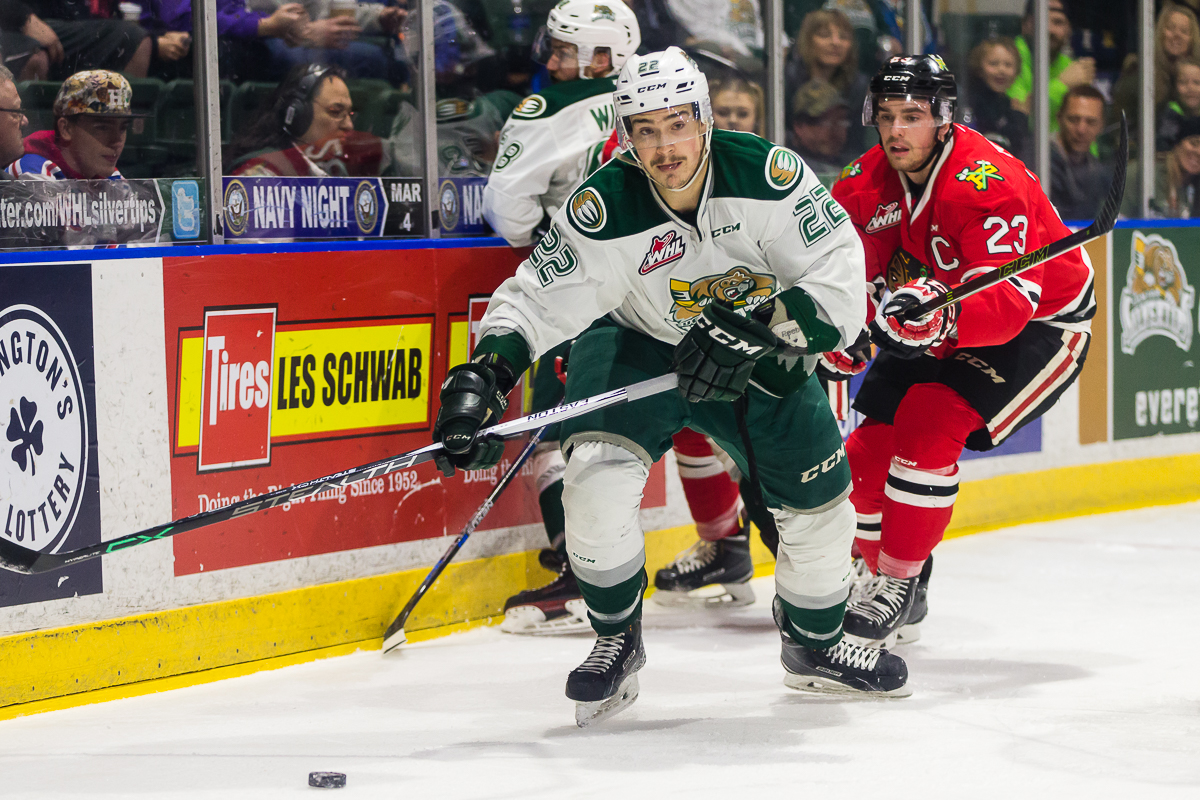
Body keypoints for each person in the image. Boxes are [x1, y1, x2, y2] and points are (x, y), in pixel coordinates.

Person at [434, 46, 910, 726]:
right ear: (626, 136)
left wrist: (766, 324)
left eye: (678, 125)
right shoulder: (604, 204)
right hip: (636, 342)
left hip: (759, 353)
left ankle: (816, 647)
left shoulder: (769, 176)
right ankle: (615, 638)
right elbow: (537, 298)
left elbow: (839, 276)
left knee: (819, 510)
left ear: (706, 121)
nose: (665, 146)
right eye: (647, 130)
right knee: (594, 483)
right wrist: (484, 374)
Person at [831, 55, 1095, 650]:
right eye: (887, 117)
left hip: (1041, 325)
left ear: (944, 119)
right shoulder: (861, 183)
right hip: (931, 313)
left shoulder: (986, 183)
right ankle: (877, 574)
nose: (896, 131)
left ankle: (899, 581)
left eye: (913, 117)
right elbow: (850, 278)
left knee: (929, 419)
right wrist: (844, 332)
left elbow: (1009, 302)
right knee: (865, 459)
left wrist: (942, 314)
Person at [226, 63, 385, 177]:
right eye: (336, 112)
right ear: (297, 114)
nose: (349, 125)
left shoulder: (338, 169)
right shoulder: (262, 175)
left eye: (350, 114)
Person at [9, 69, 141, 180]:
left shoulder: (109, 176)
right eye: (103, 128)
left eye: (123, 128)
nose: (117, 141)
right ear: (66, 129)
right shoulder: (32, 171)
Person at [785, 8, 868, 156]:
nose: (836, 43)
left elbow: (857, 144)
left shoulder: (858, 86)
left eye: (843, 37)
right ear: (807, 40)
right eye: (824, 35)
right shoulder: (785, 80)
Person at [1113, 3, 1200, 133]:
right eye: (1171, 28)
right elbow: (1119, 130)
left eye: (1184, 31)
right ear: (1160, 32)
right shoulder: (1139, 75)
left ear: (1192, 39)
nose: (1177, 35)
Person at [960, 36, 1029, 163]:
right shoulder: (971, 103)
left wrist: (1019, 116)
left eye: (1008, 65)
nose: (1001, 70)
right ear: (979, 68)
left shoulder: (1009, 107)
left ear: (1017, 71)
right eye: (993, 64)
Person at [1051, 85, 1111, 221]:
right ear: (1059, 119)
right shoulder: (1039, 160)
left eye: (1090, 122)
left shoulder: (1099, 171)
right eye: (1073, 120)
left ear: (1101, 126)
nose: (1081, 130)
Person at [789, 80, 852, 182]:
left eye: (841, 121)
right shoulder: (788, 170)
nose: (835, 131)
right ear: (799, 126)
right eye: (826, 122)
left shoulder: (853, 166)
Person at [1157, 56, 1200, 152]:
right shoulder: (1169, 114)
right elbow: (1164, 146)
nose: (1190, 88)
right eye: (1183, 82)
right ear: (1174, 87)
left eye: (1197, 83)